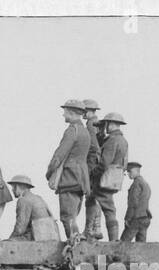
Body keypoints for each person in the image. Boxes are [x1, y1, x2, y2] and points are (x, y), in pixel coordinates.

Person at [45, 99, 92, 238]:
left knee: (67, 217)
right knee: (73, 216)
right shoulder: (85, 132)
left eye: (65, 113)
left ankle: (75, 249)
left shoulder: (72, 131)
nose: (63, 115)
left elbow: (59, 155)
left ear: (71, 113)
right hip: (81, 179)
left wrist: (49, 173)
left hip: (69, 179)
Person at [84, 111, 128, 241]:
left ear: (112, 124)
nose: (105, 127)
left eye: (106, 124)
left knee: (107, 209)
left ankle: (112, 240)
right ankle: (101, 235)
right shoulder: (123, 140)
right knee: (104, 206)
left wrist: (92, 173)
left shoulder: (112, 140)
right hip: (114, 179)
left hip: (104, 179)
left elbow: (104, 163)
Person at [5, 175, 59, 240]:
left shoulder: (23, 200)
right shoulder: (38, 198)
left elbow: (20, 229)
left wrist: (9, 239)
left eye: (13, 187)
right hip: (49, 235)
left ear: (18, 187)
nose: (12, 190)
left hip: (36, 236)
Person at [81, 100, 107, 238]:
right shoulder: (98, 124)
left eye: (84, 111)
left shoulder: (91, 124)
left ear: (88, 111)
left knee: (90, 198)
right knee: (95, 198)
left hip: (92, 163)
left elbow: (94, 147)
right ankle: (96, 228)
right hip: (97, 162)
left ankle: (89, 230)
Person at [121, 161, 152, 242]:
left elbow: (133, 203)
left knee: (122, 244)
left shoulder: (136, 184)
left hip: (136, 218)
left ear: (136, 170)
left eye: (130, 171)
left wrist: (128, 218)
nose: (128, 174)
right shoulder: (145, 184)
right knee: (141, 247)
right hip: (145, 218)